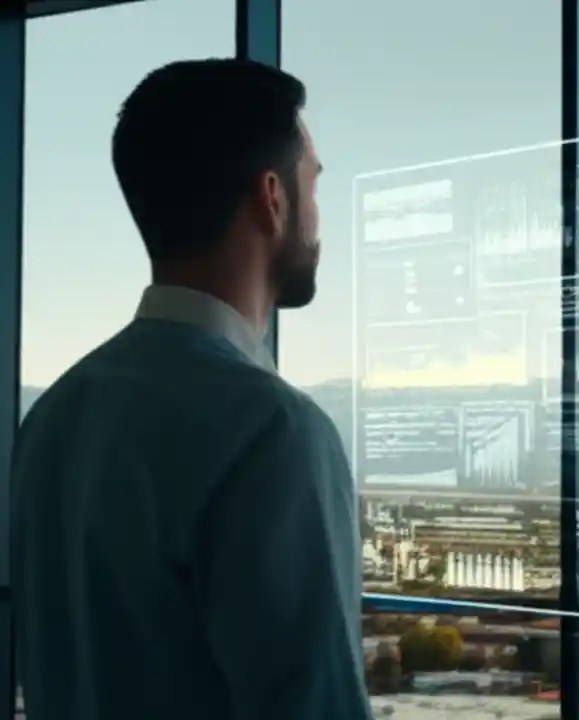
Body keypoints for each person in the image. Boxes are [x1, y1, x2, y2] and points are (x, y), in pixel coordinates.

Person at [12, 59, 372, 720]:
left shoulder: (53, 417)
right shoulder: (275, 430)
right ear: (273, 197)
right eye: (312, 184)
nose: (318, 218)